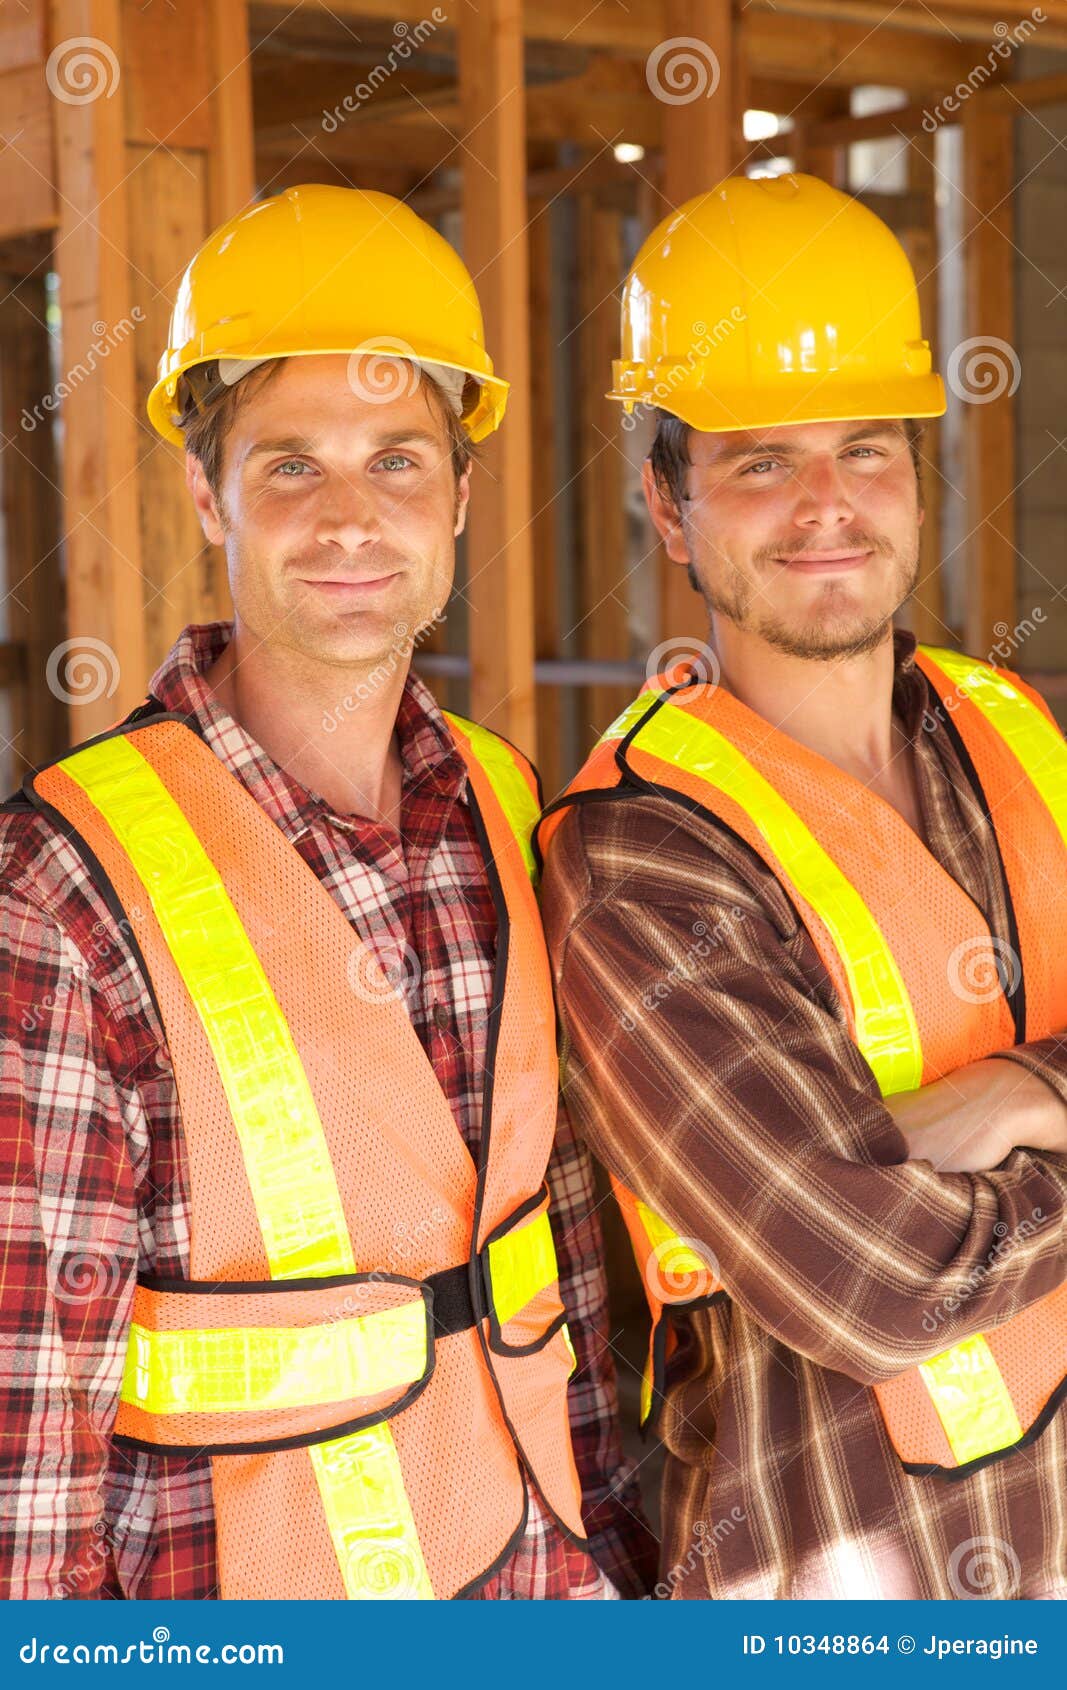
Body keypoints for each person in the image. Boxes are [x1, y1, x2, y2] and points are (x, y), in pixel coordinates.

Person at [0, 184, 654, 1601]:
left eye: (399, 461)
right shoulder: (66, 881)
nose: (351, 518)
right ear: (203, 491)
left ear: (464, 494)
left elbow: (557, 1252)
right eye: (290, 465)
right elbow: (24, 1434)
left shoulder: (509, 803)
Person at [537, 172, 1067, 1600]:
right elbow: (870, 1279)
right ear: (668, 502)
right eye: (761, 460)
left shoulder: (1011, 725)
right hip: (839, 1584)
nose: (826, 506)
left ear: (915, 474)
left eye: (865, 449)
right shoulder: (634, 853)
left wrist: (1021, 1094)